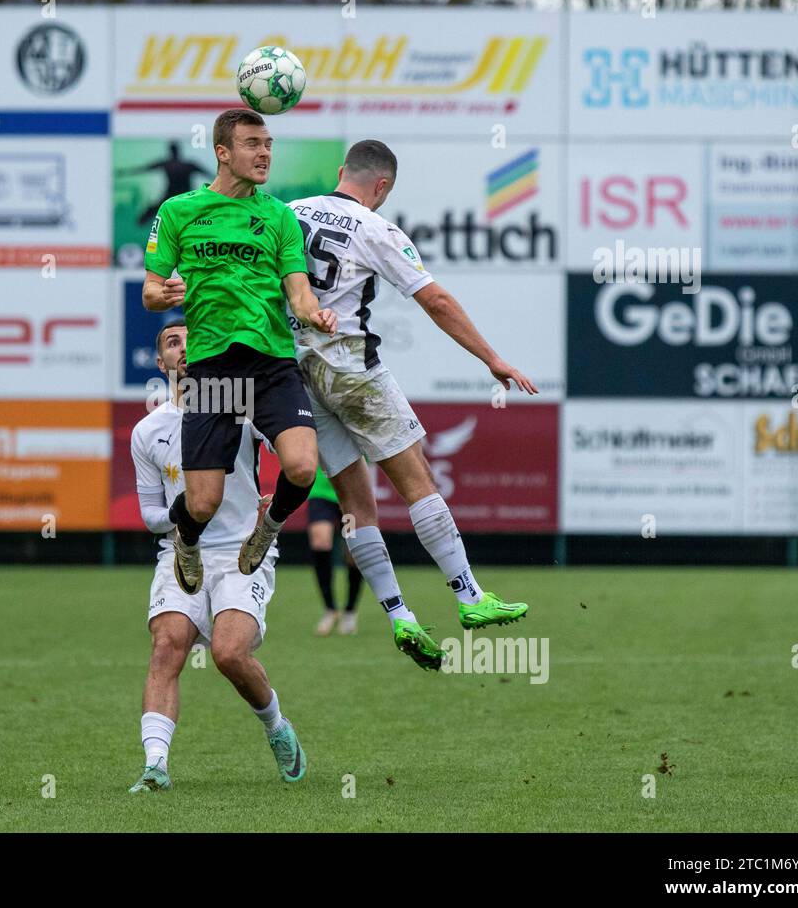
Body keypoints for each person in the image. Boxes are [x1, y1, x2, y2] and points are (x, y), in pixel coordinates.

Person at [287, 140, 538, 670]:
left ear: (341, 172)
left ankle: (400, 614)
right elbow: (436, 300)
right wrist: (492, 359)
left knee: (357, 504)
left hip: (299, 376)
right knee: (417, 479)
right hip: (351, 368)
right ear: (382, 187)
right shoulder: (375, 228)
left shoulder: (289, 214)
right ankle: (470, 597)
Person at [141, 108, 337, 601]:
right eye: (252, 143)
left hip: (271, 364)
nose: (265, 152)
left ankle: (267, 526)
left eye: (268, 143)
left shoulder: (278, 216)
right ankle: (187, 538)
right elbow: (149, 291)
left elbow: (298, 292)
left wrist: (314, 313)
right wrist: (162, 294)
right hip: (212, 370)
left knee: (301, 468)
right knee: (202, 503)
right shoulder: (179, 211)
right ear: (222, 153)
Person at [128, 321, 307, 792]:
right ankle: (155, 766)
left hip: (241, 551)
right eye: (172, 342)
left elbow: (292, 451)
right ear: (161, 362)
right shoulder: (148, 431)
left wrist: (281, 492)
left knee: (229, 653)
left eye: (191, 338)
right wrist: (184, 512)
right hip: (180, 549)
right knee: (167, 645)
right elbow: (149, 515)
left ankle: (275, 726)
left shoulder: (244, 411)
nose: (184, 348)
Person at [305, 468, 364, 636]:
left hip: (350, 496)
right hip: (321, 493)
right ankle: (330, 609)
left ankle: (350, 610)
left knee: (354, 552)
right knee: (320, 541)